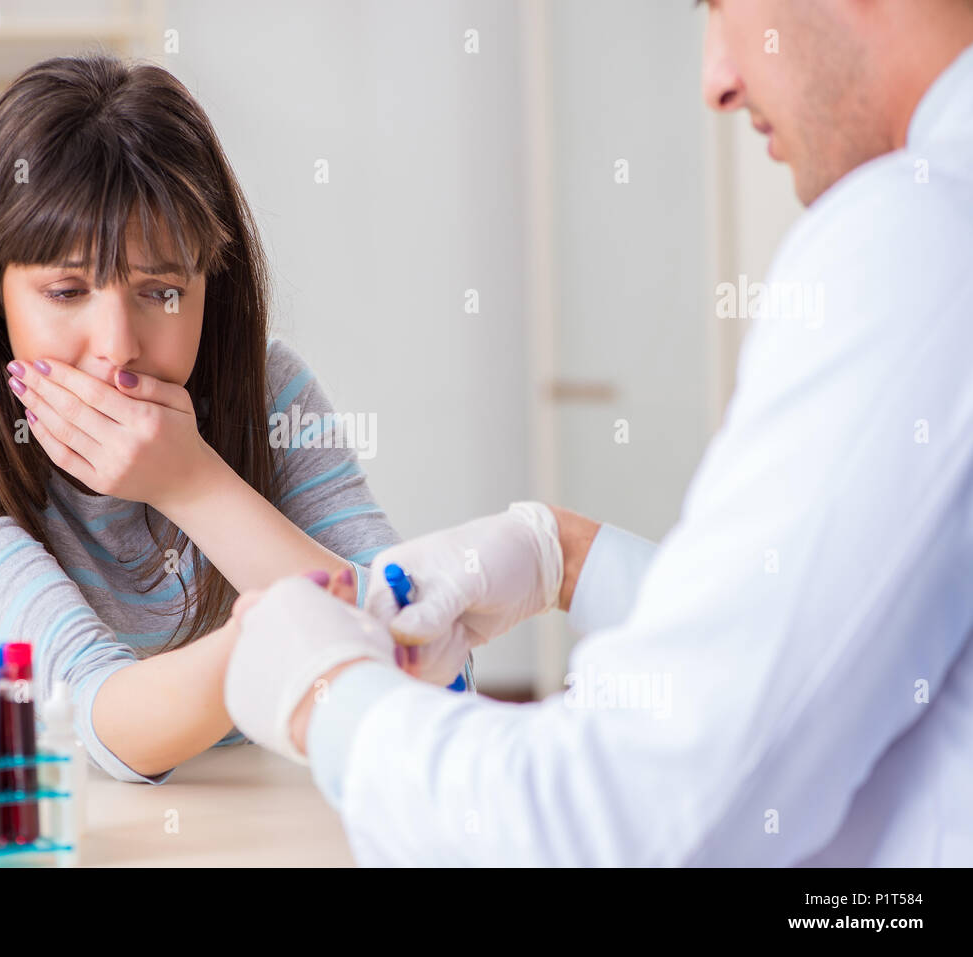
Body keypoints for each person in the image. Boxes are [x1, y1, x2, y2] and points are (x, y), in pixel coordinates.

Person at [224, 0, 973, 865]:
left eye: (721, 5)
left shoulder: (918, 233)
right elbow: (849, 643)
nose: (716, 80)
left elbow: (631, 823)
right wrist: (566, 556)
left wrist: (328, 697)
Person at [0, 55, 474, 785]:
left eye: (159, 291)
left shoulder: (271, 393)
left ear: (207, 286)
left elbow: (434, 665)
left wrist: (194, 484)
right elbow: (98, 719)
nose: (118, 347)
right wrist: (289, 634)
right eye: (66, 291)